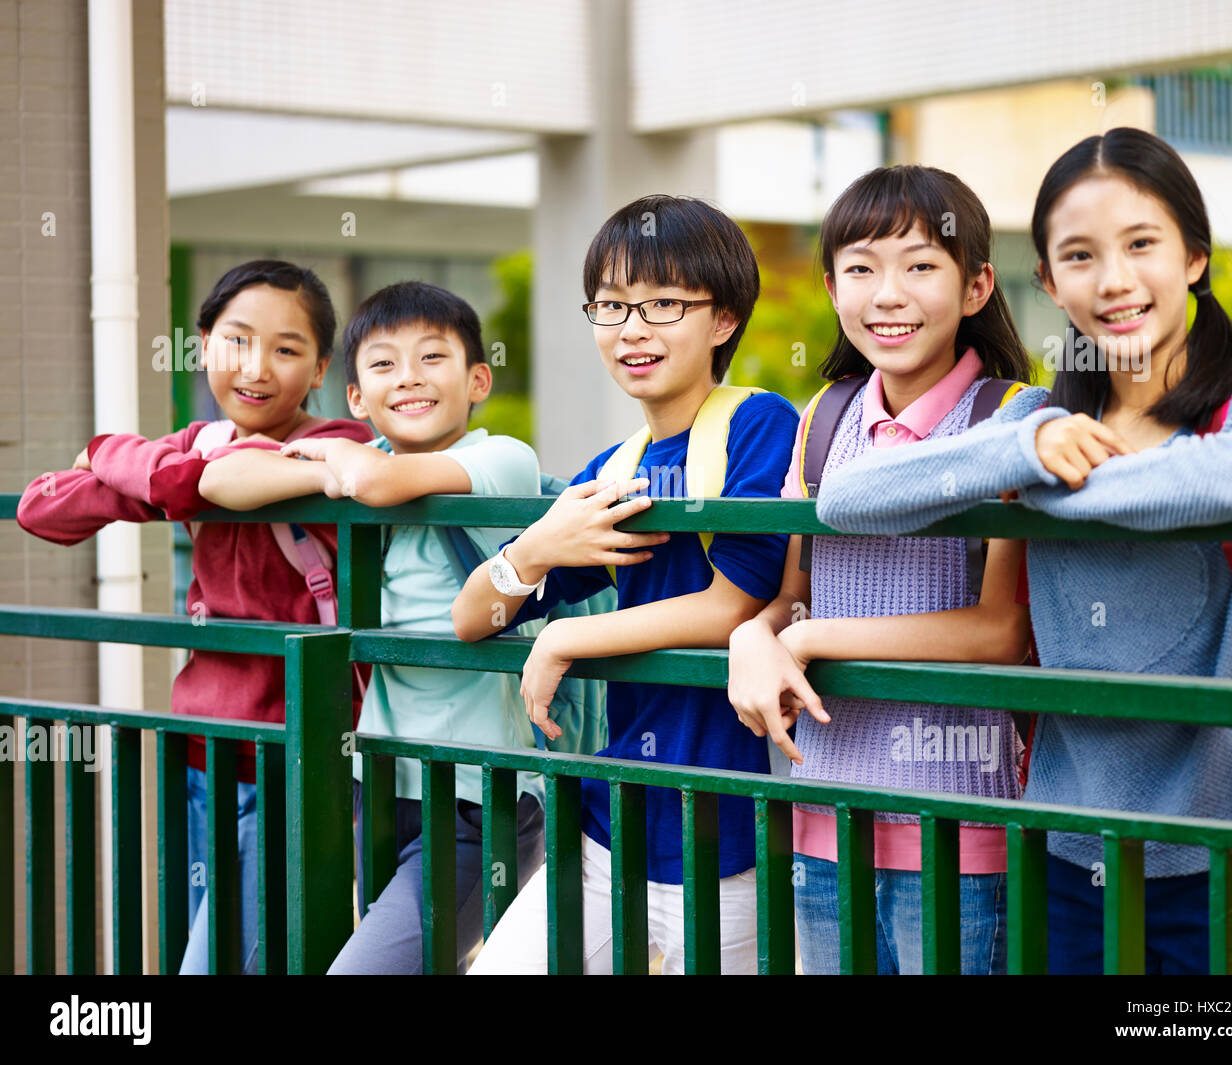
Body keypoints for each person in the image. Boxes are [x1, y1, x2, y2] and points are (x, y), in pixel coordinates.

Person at [815, 128, 1232, 975]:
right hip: (1070, 852)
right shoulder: (1036, 421)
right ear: (1047, 279)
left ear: (1194, 255)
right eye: (1079, 255)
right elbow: (847, 498)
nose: (1113, 280)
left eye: (1141, 244)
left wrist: (1053, 485)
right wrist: (1023, 448)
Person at [454, 195, 798, 974]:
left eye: (662, 303)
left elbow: (732, 605)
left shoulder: (760, 423)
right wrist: (537, 548)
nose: (631, 328)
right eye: (610, 306)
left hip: (733, 832)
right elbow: (472, 615)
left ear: (724, 319)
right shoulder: (616, 466)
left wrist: (569, 634)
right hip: (613, 823)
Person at [18, 259, 371, 973]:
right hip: (202, 754)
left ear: (321, 366)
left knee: (228, 959)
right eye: (236, 340)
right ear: (202, 341)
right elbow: (42, 508)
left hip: (298, 757)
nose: (256, 367)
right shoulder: (199, 447)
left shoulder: (341, 447)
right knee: (209, 945)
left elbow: (205, 482)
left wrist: (112, 452)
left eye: (287, 348)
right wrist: (156, 466)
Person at [728, 165, 1034, 975]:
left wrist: (818, 634)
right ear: (832, 289)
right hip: (823, 821)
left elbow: (1003, 631)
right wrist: (753, 639)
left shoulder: (1011, 419)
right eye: (861, 268)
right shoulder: (821, 421)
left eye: (920, 265)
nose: (887, 293)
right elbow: (791, 598)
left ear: (976, 287)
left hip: (963, 829)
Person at [201, 280, 548, 974]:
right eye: (383, 364)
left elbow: (379, 483)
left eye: (432, 358)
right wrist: (334, 466)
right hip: (386, 788)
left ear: (479, 378)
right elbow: (218, 481)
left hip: (481, 798)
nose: (409, 377)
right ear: (356, 398)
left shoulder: (503, 458)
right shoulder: (367, 462)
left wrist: (330, 462)